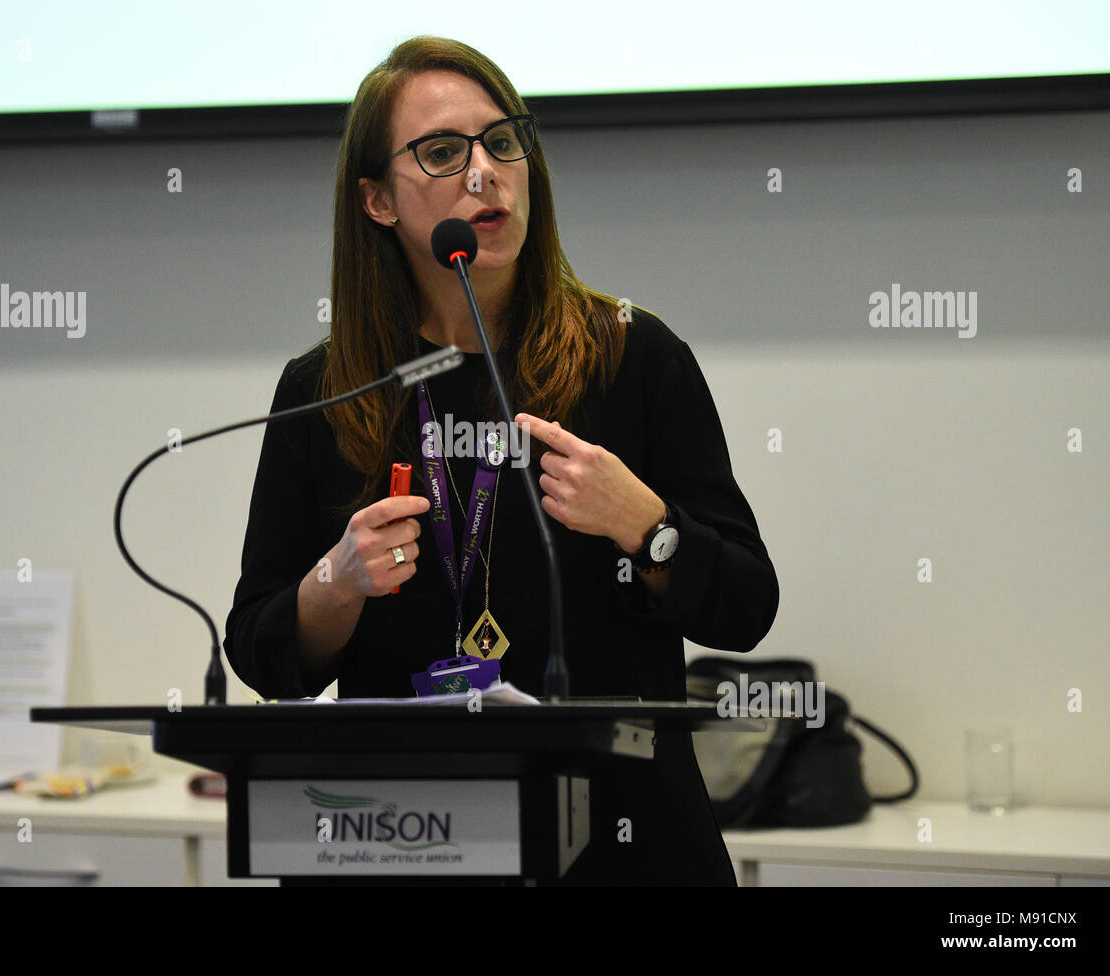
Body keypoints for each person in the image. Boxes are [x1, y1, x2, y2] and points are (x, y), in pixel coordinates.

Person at [224, 36, 779, 884]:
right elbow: (262, 654)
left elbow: (746, 605)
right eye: (443, 152)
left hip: (620, 840)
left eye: (503, 141)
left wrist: (649, 528)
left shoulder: (631, 355)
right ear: (376, 200)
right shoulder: (326, 388)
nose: (484, 173)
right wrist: (336, 583)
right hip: (402, 839)